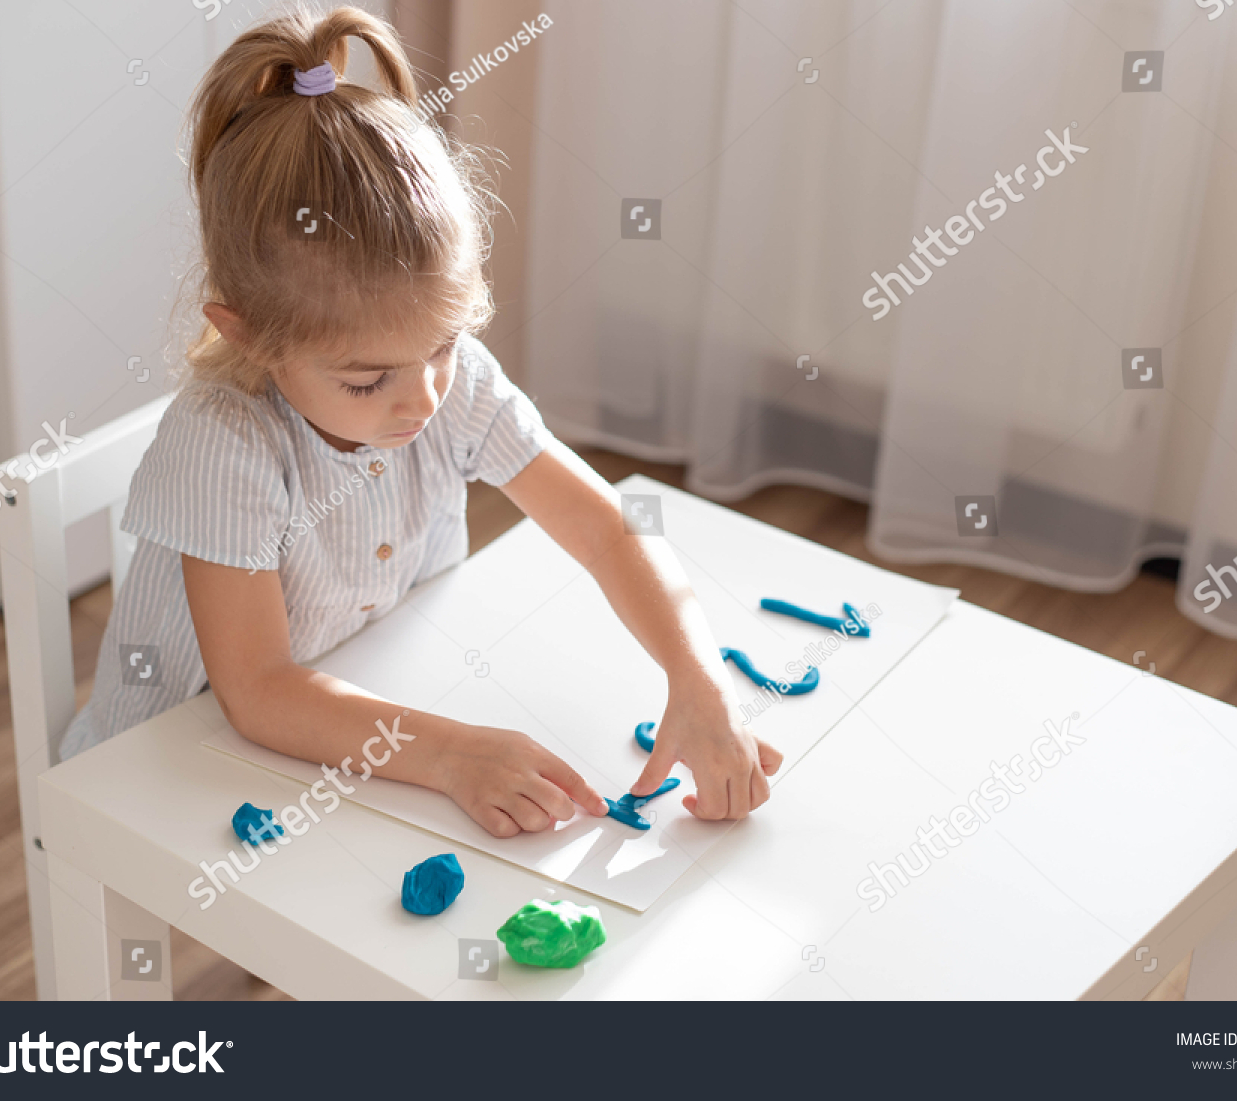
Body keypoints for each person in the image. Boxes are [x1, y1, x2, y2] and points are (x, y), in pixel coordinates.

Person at [61, 5, 780, 836]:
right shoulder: (224, 443)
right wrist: (451, 754)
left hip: (358, 727)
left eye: (444, 343)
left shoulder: (449, 381)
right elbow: (258, 690)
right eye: (367, 381)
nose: (423, 398)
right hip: (171, 774)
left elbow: (609, 529)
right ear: (250, 337)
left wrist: (698, 677)